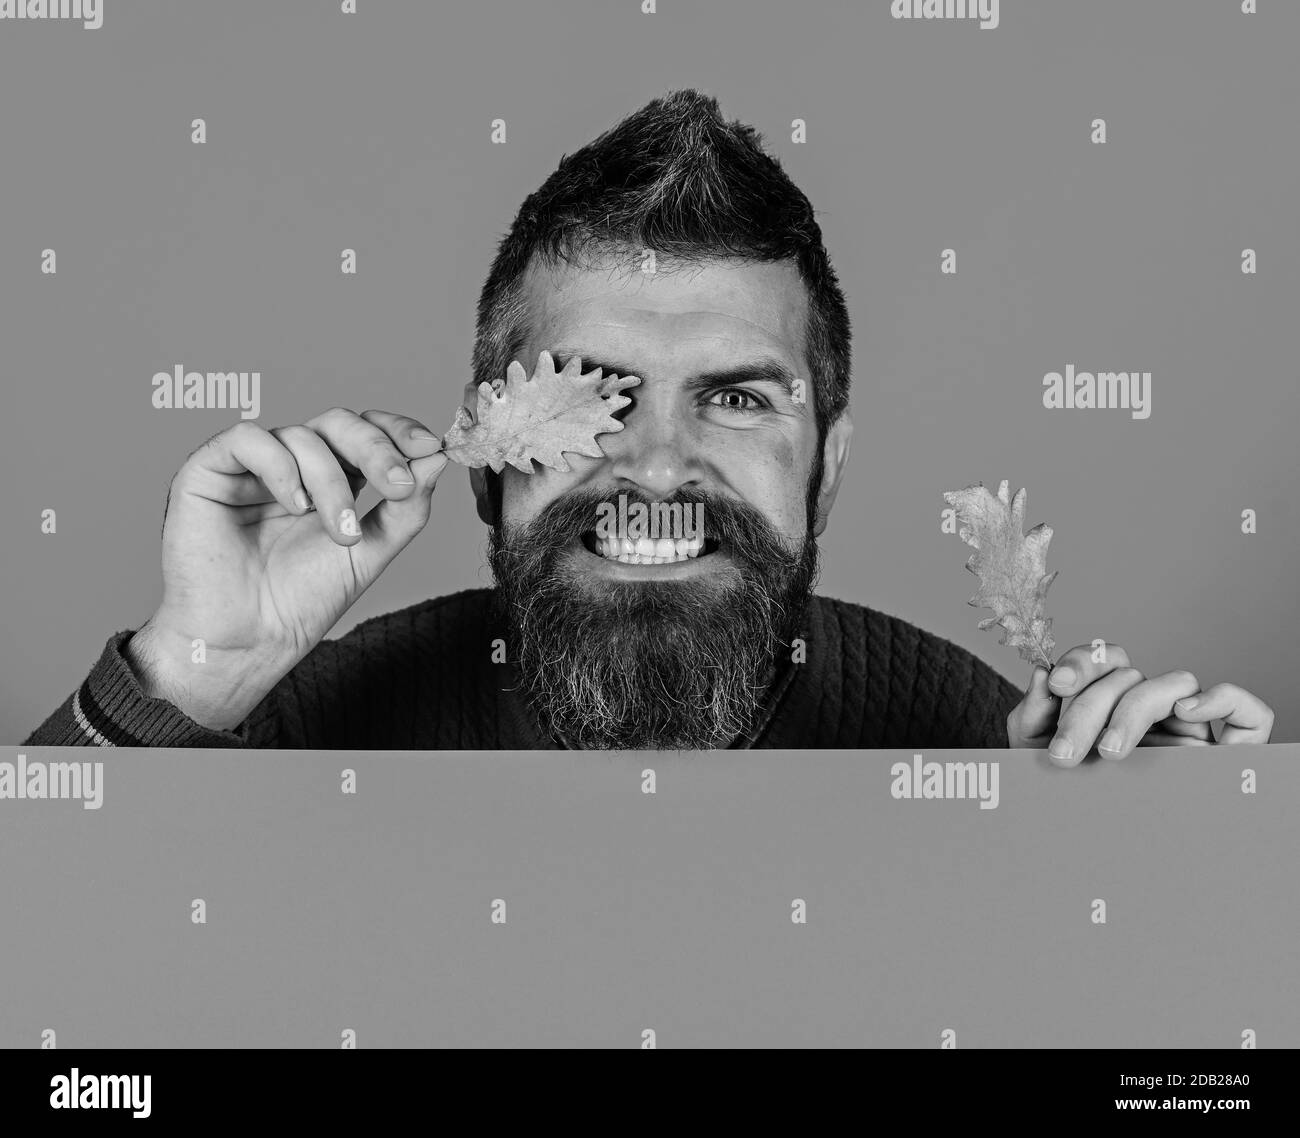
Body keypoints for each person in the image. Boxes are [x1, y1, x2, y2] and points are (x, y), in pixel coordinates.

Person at [25, 89, 1274, 755]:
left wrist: (1171, 872)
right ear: (484, 466)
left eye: (734, 398)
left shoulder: (969, 744)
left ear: (825, 471)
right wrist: (188, 678)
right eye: (597, 395)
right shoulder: (296, 723)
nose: (658, 462)